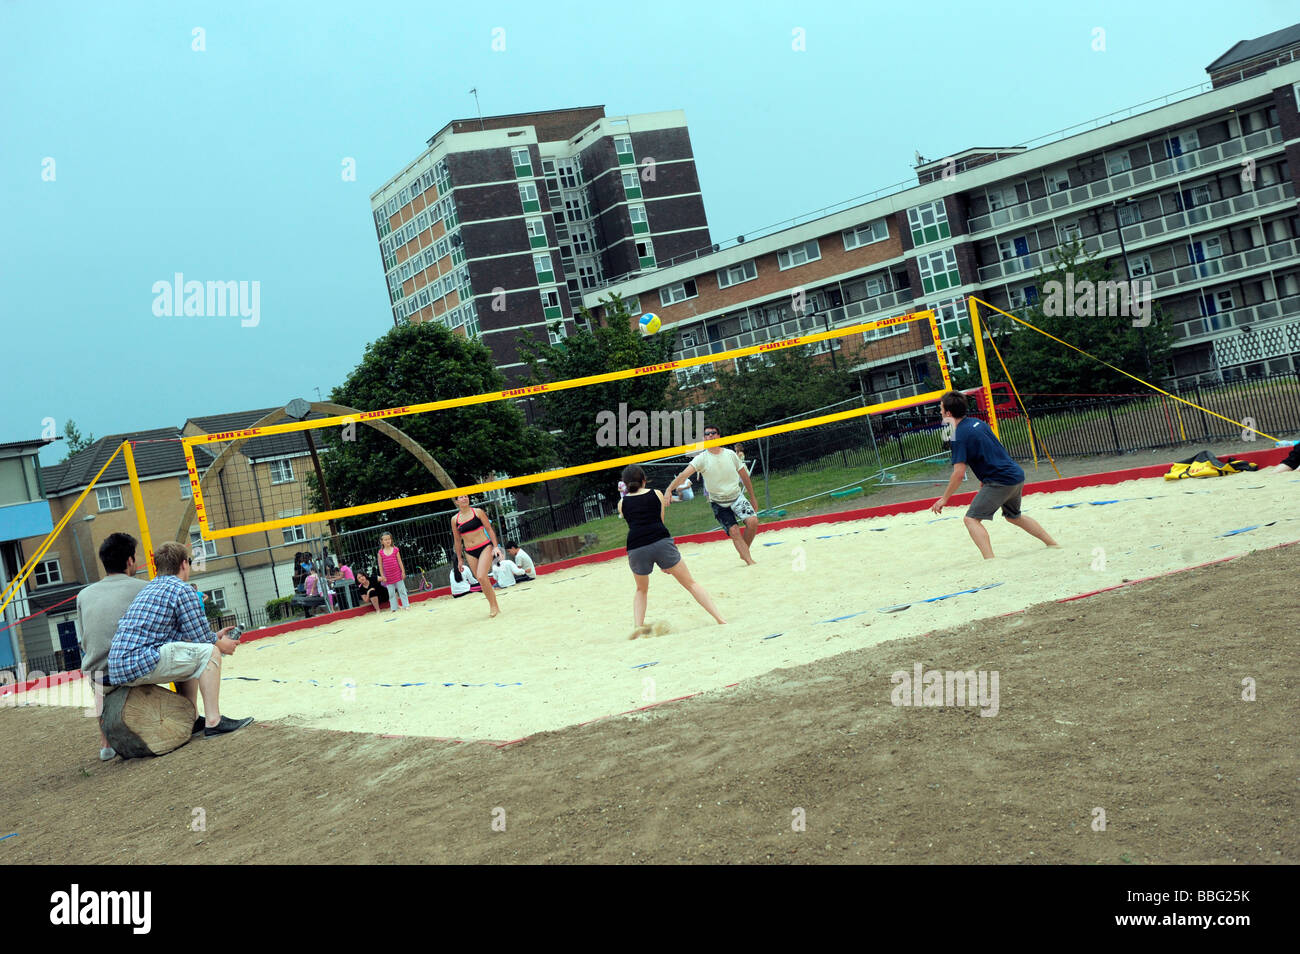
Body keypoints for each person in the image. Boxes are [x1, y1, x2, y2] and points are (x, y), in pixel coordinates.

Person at [107, 541, 253, 737]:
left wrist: (215, 636)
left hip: (120, 665)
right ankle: (213, 721)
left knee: (192, 650)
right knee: (210, 652)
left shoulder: (149, 589)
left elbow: (189, 636)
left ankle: (190, 718)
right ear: (184, 563)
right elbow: (201, 638)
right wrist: (221, 644)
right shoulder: (183, 589)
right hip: (139, 661)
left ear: (157, 566)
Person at [929, 390, 1060, 559]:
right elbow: (996, 449)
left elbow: (958, 474)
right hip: (1014, 474)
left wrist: (944, 499)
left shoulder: (958, 436)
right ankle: (1052, 544)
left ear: (948, 413)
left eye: (941, 409)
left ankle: (990, 560)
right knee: (1014, 516)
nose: (939, 412)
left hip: (1000, 480)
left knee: (971, 519)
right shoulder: (978, 423)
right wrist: (985, 478)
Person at [619, 464, 725, 638]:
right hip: (660, 540)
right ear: (644, 480)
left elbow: (633, 522)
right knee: (691, 584)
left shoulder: (622, 503)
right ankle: (720, 619)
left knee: (641, 590)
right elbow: (659, 520)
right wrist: (665, 562)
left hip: (636, 546)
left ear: (625, 483)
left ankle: (638, 627)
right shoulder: (657, 494)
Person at [76, 532, 147, 761]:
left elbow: (85, 638)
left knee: (92, 661)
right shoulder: (142, 587)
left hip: (98, 675)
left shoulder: (84, 595)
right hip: (129, 670)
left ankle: (105, 743)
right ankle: (192, 715)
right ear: (129, 561)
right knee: (184, 652)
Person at [665, 424, 760, 565]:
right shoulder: (701, 459)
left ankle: (743, 551)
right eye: (707, 434)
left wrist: (752, 497)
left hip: (737, 496)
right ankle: (749, 561)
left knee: (753, 522)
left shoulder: (730, 454)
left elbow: (744, 476)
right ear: (704, 438)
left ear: (718, 436)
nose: (710, 435)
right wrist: (668, 490)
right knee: (734, 531)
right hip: (718, 501)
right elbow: (683, 475)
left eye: (713, 433)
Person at [451, 495, 502, 618]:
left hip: (484, 546)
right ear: (456, 502)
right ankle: (495, 605)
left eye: (466, 496)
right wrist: (459, 559)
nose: (464, 499)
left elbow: (489, 529)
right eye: (461, 497)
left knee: (481, 575)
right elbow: (457, 541)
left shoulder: (477, 512)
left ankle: (493, 606)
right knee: (481, 579)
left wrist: (495, 546)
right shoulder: (455, 519)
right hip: (469, 551)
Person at [376, 532, 410, 611]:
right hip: (388, 577)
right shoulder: (380, 553)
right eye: (385, 539)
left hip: (398, 574)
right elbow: (380, 566)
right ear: (382, 541)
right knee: (391, 593)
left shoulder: (395, 549)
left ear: (391, 540)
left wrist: (403, 572)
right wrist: (382, 576)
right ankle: (394, 608)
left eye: (389, 539)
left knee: (402, 590)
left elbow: (400, 561)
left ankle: (406, 605)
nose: (387, 541)